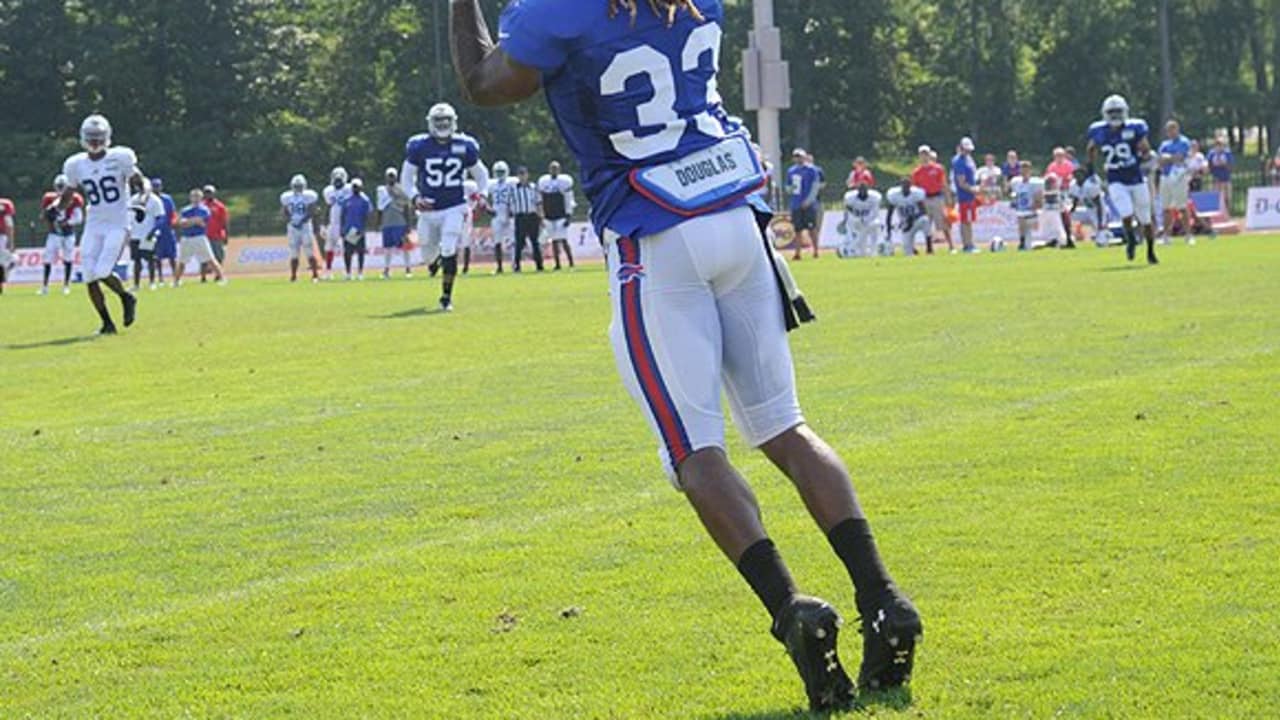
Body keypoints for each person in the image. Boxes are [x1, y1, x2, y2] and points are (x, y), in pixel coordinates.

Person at [452, 1, 922, 710]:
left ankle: (793, 610)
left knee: (695, 452)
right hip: (735, 218)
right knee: (784, 428)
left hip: (655, 234)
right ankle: (884, 599)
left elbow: (488, 85)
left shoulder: (564, 7)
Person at [401, 102, 490, 311]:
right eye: (438, 120)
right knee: (427, 254)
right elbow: (406, 177)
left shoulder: (464, 145)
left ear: (453, 122)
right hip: (428, 209)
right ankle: (437, 260)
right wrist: (414, 197)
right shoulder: (419, 146)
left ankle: (446, 297)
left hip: (454, 206)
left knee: (449, 247)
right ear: (430, 123)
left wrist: (483, 194)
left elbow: (481, 174)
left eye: (446, 120)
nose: (442, 124)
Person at [60, 114, 141, 334]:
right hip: (94, 223)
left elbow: (140, 183)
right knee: (88, 275)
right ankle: (106, 323)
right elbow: (70, 190)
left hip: (118, 221)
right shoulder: (75, 164)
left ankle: (126, 297)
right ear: (83, 138)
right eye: (91, 137)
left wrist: (141, 203)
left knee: (102, 270)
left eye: (99, 137)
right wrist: (57, 207)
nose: (95, 141)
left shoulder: (121, 157)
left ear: (107, 137)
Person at [1087, 94, 1158, 264]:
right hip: (1115, 178)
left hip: (1136, 178)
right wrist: (1090, 167)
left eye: (1118, 111)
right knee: (1126, 213)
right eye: (1112, 112)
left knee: (1146, 219)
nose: (1115, 115)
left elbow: (1146, 149)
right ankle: (1131, 240)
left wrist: (1144, 158)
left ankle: (1150, 250)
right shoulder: (1099, 131)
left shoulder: (1135, 128)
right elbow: (1091, 148)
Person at [39, 174, 84, 296]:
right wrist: (48, 213)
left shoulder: (75, 199)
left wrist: (67, 222)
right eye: (59, 186)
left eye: (62, 186)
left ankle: (66, 285)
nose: (60, 189)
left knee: (68, 258)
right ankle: (45, 286)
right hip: (54, 233)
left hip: (68, 233)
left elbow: (79, 218)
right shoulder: (49, 198)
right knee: (48, 258)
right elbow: (42, 217)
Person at [175, 188, 226, 286]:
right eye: (193, 196)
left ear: (201, 198)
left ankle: (222, 278)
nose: (195, 199)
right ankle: (176, 281)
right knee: (181, 261)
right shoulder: (185, 209)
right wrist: (192, 222)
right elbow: (180, 222)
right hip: (187, 237)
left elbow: (200, 221)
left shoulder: (204, 209)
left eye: (197, 197)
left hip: (199, 237)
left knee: (210, 259)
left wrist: (189, 222)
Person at [1157, 120, 1195, 246]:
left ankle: (1188, 235)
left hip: (1178, 177)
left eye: (1173, 129)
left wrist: (1168, 158)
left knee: (1182, 207)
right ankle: (1166, 236)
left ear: (1177, 129)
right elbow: (1160, 160)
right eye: (1169, 130)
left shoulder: (1183, 142)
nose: (1171, 132)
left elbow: (1180, 157)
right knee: (1166, 208)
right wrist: (1169, 158)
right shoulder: (1164, 144)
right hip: (1166, 176)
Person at [127, 175, 166, 290]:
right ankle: (136, 284)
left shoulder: (154, 200)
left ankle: (152, 282)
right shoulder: (133, 199)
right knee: (136, 260)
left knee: (150, 259)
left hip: (148, 233)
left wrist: (153, 231)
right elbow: (129, 216)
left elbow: (160, 217)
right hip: (135, 234)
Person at [281, 174, 321, 283]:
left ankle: (315, 274)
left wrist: (301, 220)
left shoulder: (308, 196)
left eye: (299, 186)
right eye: (296, 186)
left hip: (305, 225)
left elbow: (312, 210)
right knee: (294, 252)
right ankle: (293, 276)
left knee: (309, 251)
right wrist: (291, 221)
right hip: (293, 227)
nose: (298, 188)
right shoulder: (287, 197)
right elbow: (284, 212)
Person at [911, 145, 950, 253]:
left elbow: (944, 184)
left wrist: (948, 199)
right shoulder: (917, 172)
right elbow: (915, 188)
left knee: (943, 222)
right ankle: (929, 247)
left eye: (926, 154)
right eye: (922, 154)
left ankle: (951, 246)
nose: (924, 157)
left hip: (937, 197)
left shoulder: (938, 168)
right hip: (924, 199)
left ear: (929, 155)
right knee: (926, 224)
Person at [377, 167, 414, 278]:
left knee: (404, 247)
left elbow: (406, 207)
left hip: (400, 222)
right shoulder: (382, 191)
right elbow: (380, 208)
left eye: (392, 176)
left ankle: (408, 269)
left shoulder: (401, 190)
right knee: (388, 248)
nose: (391, 178)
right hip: (387, 223)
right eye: (389, 176)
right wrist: (379, 223)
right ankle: (387, 270)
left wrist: (408, 224)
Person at [539, 161, 576, 270]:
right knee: (554, 241)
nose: (554, 171)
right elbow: (541, 199)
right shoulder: (544, 182)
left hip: (561, 214)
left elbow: (569, 199)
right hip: (549, 215)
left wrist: (569, 215)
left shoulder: (564, 182)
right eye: (552, 168)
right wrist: (542, 215)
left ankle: (571, 262)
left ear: (559, 170)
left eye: (556, 168)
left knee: (563, 240)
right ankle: (558, 264)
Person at [786, 149, 822, 260]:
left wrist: (809, 200)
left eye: (800, 156)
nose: (798, 158)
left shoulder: (811, 170)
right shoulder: (791, 171)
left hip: (809, 204)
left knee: (812, 228)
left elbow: (815, 186)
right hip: (796, 204)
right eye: (796, 156)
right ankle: (797, 253)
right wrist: (790, 190)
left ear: (804, 157)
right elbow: (788, 187)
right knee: (797, 230)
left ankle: (816, 251)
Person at [509, 165, 543, 272]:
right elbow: (510, 203)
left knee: (535, 241)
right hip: (520, 216)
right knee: (519, 242)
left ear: (527, 175)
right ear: (518, 176)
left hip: (532, 216)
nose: (522, 176)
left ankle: (539, 265)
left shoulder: (533, 187)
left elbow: (538, 202)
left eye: (524, 174)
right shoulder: (514, 189)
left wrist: (540, 216)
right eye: (520, 174)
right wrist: (512, 214)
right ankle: (517, 265)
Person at [885, 178, 930, 257]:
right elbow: (889, 214)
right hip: (906, 225)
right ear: (901, 186)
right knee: (908, 252)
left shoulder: (916, 194)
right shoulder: (895, 195)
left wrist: (913, 218)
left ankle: (929, 249)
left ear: (910, 186)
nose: (905, 187)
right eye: (904, 185)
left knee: (925, 220)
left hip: (916, 220)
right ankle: (913, 250)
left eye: (907, 185)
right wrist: (888, 230)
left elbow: (924, 211)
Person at [839, 177, 883, 258]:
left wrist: (865, 220)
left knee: (876, 224)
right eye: (860, 189)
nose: (862, 191)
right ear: (857, 190)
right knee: (860, 245)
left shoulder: (875, 197)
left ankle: (874, 250)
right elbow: (848, 210)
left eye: (864, 189)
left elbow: (875, 213)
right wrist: (856, 219)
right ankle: (849, 249)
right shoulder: (850, 197)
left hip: (870, 220)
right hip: (856, 221)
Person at [487, 160, 516, 274]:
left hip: (509, 214)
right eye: (498, 172)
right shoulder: (491, 184)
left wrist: (513, 209)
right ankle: (499, 266)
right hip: (497, 214)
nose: (499, 174)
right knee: (497, 242)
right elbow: (483, 197)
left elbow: (516, 197)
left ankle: (514, 264)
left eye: (501, 172)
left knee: (513, 241)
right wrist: (488, 208)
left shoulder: (512, 182)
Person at [322, 167, 351, 279]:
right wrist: (324, 224)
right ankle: (328, 271)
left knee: (346, 248)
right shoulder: (329, 191)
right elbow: (328, 207)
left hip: (346, 223)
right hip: (333, 223)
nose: (338, 180)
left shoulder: (349, 189)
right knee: (329, 248)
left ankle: (347, 271)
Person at [950, 137, 979, 252]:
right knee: (965, 221)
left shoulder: (968, 159)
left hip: (970, 195)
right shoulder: (959, 161)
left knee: (969, 220)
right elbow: (961, 182)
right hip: (965, 195)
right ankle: (967, 244)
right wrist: (973, 189)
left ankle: (970, 243)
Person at [341, 178, 372, 280]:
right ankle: (348, 272)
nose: (355, 189)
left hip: (359, 229)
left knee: (360, 252)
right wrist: (342, 229)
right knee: (348, 252)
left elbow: (368, 215)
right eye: (354, 187)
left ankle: (360, 272)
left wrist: (364, 228)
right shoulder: (347, 200)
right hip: (348, 229)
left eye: (357, 187)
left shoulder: (365, 200)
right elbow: (343, 215)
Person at [151, 177, 179, 287]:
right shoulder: (150, 199)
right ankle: (160, 278)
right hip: (156, 230)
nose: (156, 188)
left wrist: (174, 223)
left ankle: (175, 277)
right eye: (154, 186)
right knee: (157, 257)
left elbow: (172, 213)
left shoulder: (167, 199)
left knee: (172, 255)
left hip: (167, 229)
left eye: (158, 186)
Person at [1068, 167, 1107, 246]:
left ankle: (1103, 239)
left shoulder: (1090, 185)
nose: (1077, 178)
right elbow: (1076, 198)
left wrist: (1100, 221)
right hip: (1088, 208)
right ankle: (1068, 238)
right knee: (1068, 217)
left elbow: (1098, 204)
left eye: (1079, 175)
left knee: (1099, 226)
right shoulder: (1073, 185)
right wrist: (1071, 210)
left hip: (1097, 208)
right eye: (1075, 176)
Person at [1009, 162, 1043, 251]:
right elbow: (1014, 196)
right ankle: (1022, 241)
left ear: (1030, 170)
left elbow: (1039, 199)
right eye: (1022, 169)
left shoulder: (1035, 183)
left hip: (1032, 212)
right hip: (1021, 211)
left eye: (1026, 169)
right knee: (1021, 220)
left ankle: (1024, 242)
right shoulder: (1016, 182)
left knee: (1032, 241)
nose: (1024, 171)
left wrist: (1035, 206)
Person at [201, 185, 229, 282]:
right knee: (203, 257)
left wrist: (226, 235)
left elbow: (224, 221)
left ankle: (218, 275)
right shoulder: (201, 206)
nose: (208, 195)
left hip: (217, 235)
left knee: (219, 256)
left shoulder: (219, 206)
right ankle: (203, 276)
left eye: (210, 192)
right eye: (206, 192)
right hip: (204, 235)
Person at [1207, 134, 1233, 210]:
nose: (1219, 147)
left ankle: (1227, 212)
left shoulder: (1227, 153)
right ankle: (1217, 211)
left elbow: (1231, 167)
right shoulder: (1211, 154)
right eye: (1217, 145)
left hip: (1226, 178)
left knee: (1227, 197)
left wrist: (1224, 164)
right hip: (1216, 178)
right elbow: (1208, 165)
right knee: (1216, 196)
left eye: (1220, 145)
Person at [0, 194, 14, 295]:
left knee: (3, 261)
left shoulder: (5, 204)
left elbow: (9, 224)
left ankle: (2, 283)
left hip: (1, 236)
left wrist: (10, 240)